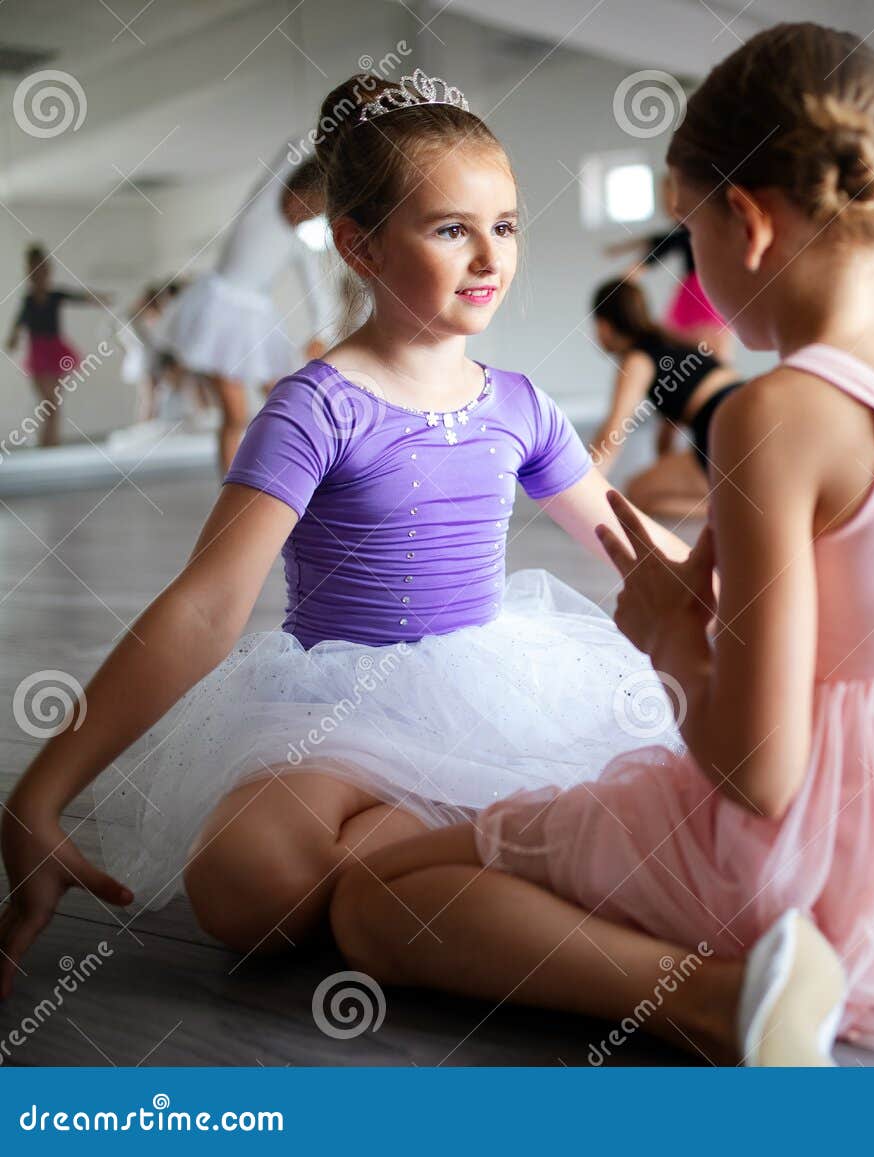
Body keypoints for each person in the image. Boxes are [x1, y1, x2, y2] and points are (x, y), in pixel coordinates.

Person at [329, 23, 874, 1066]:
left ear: (743, 220)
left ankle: (714, 999)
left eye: (687, 227)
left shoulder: (773, 413)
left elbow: (759, 771)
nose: (688, 264)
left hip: (808, 857)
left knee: (375, 896)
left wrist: (662, 630)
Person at [0, 68, 694, 990]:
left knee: (356, 884)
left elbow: (635, 538)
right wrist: (39, 795)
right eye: (452, 229)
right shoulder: (315, 408)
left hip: (487, 695)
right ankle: (421, 873)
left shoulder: (517, 405)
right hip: (328, 705)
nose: (490, 257)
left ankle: (408, 871)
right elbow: (208, 607)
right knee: (244, 892)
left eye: (506, 226)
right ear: (360, 245)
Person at [159, 143, 339, 472]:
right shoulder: (263, 205)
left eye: (311, 211)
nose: (300, 211)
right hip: (218, 308)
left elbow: (319, 296)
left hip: (256, 320)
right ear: (289, 187)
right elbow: (290, 150)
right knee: (235, 413)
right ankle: (227, 488)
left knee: (283, 401)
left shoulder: (297, 245)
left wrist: (321, 335)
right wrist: (334, 137)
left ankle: (283, 475)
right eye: (300, 200)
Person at [588, 277, 744, 518]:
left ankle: (734, 511)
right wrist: (666, 470)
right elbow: (669, 430)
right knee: (650, 487)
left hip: (729, 438)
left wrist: (582, 489)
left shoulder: (637, 359)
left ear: (604, 326)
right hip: (749, 419)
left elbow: (612, 435)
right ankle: (742, 498)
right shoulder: (672, 343)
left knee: (637, 493)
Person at [604, 176, 734, 363]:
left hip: (702, 288)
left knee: (713, 344)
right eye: (664, 199)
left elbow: (660, 248)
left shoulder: (692, 228)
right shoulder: (683, 230)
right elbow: (657, 240)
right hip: (695, 286)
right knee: (694, 342)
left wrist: (629, 274)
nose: (666, 204)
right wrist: (624, 247)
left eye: (669, 198)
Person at [5, 244, 111, 447]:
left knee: (52, 406)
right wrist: (12, 338)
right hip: (37, 354)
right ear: (30, 273)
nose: (40, 275)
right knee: (48, 405)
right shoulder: (27, 301)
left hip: (55, 352)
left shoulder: (55, 296)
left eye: (43, 269)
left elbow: (80, 297)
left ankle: (50, 445)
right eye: (35, 270)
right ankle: (46, 445)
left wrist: (100, 298)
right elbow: (18, 325)